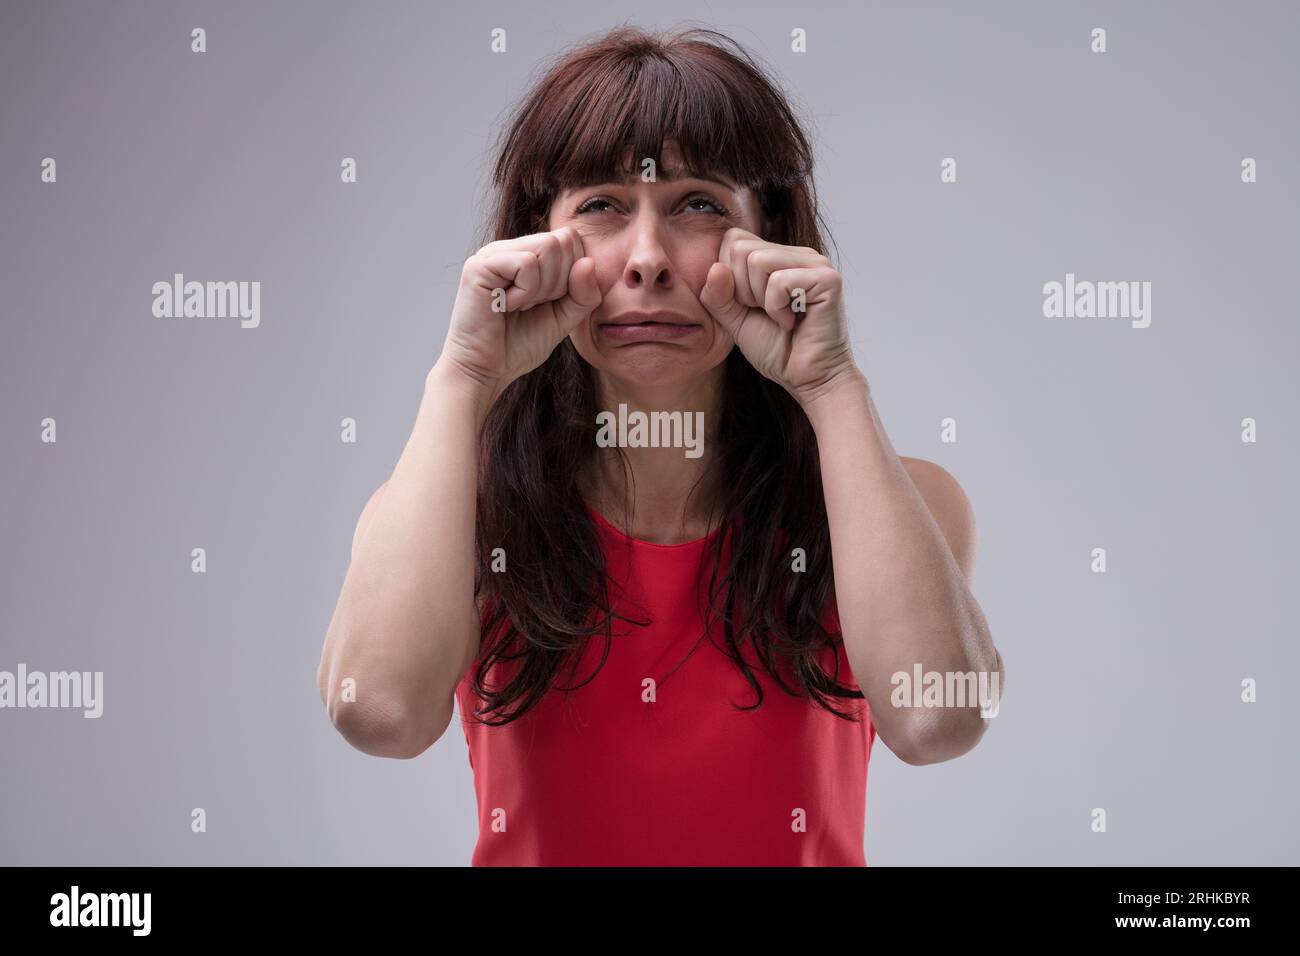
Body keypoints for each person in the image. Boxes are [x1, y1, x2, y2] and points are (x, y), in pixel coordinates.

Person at [317, 25, 1004, 866]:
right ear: (535, 240)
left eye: (698, 204)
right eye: (601, 206)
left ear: (770, 236)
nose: (647, 258)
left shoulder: (904, 503)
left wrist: (832, 386)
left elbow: (937, 722)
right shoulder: (455, 510)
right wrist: (464, 375)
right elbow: (379, 714)